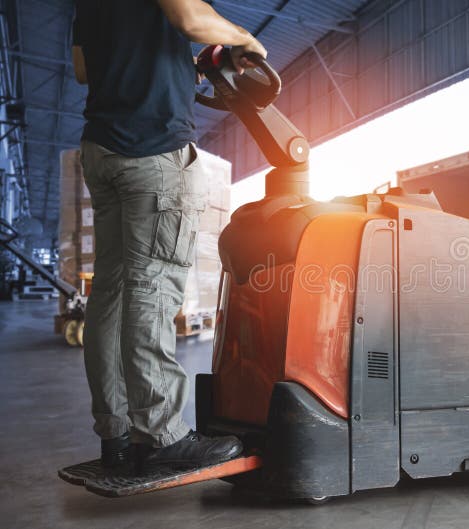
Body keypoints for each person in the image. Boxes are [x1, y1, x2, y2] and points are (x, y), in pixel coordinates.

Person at [71, 0, 267, 469]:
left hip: (103, 150)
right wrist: (244, 38)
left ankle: (116, 433)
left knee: (112, 294)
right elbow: (189, 19)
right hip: (151, 150)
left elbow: (84, 69)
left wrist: (190, 66)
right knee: (151, 290)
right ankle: (162, 435)